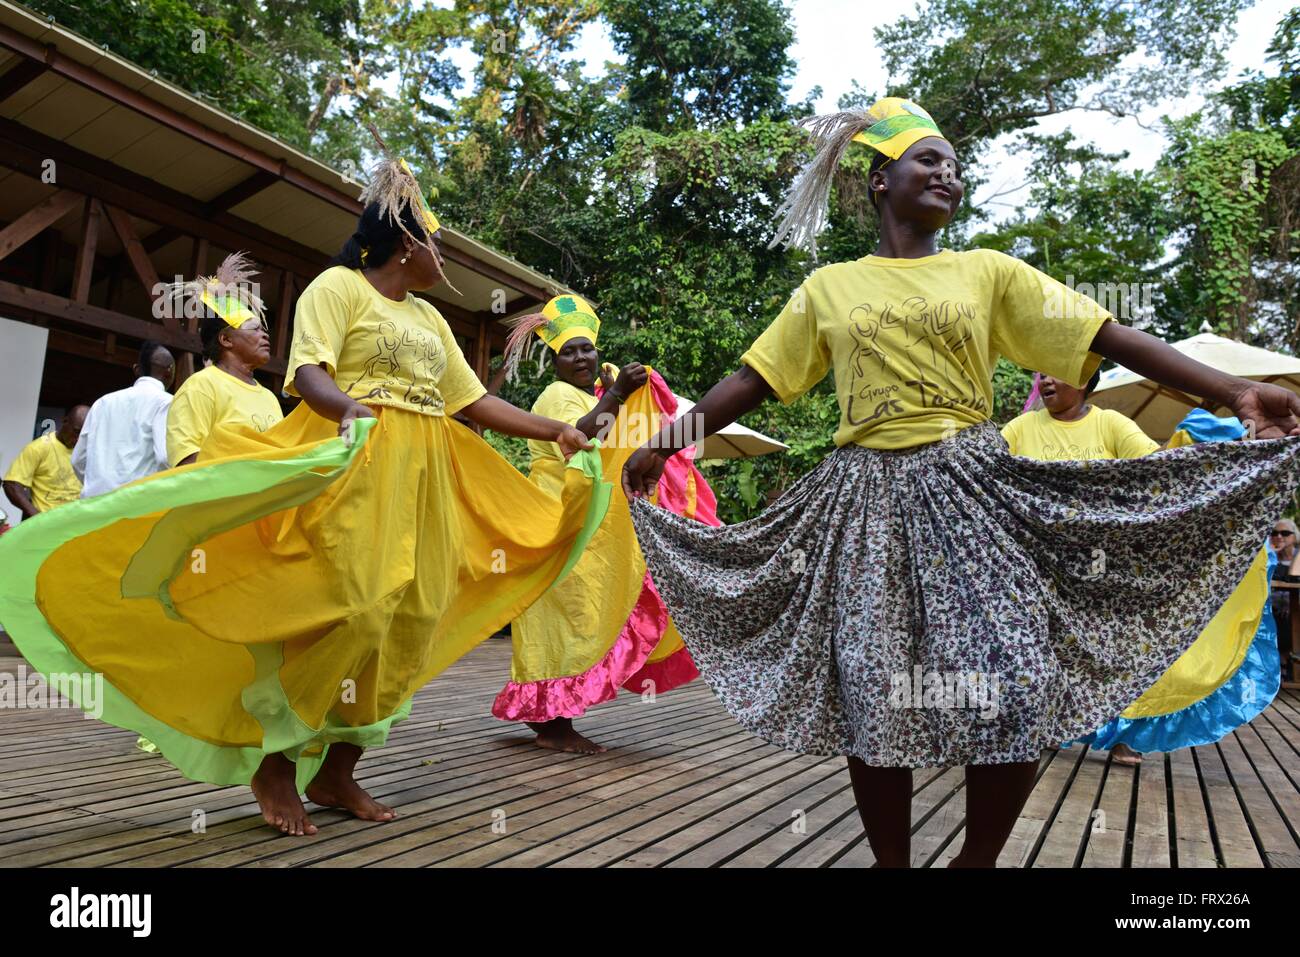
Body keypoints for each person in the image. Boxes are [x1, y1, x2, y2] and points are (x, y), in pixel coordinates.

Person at [620, 97, 1300, 868]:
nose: (948, 173)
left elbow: (1106, 334)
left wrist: (1233, 393)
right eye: (927, 160)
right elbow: (753, 378)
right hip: (864, 501)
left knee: (1012, 679)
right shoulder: (830, 288)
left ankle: (976, 863)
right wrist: (670, 440)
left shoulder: (987, 273)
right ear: (881, 182)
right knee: (877, 686)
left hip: (972, 491)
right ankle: (892, 865)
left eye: (954, 164)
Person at [0, 139, 617, 838]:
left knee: (409, 621)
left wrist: (553, 431)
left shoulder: (431, 320)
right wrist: (349, 409)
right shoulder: (338, 288)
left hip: (426, 482)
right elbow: (309, 374)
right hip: (356, 467)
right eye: (436, 242)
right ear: (406, 242)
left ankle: (337, 771)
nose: (444, 256)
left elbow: (472, 404)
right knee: (353, 605)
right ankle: (276, 758)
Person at [490, 295, 716, 753]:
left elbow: (621, 442)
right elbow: (579, 437)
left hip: (590, 526)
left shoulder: (591, 394)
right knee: (565, 617)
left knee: (587, 614)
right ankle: (553, 723)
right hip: (560, 523)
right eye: (567, 351)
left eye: (585, 349)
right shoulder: (556, 396)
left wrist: (629, 398)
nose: (580, 358)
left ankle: (559, 716)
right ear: (554, 360)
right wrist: (616, 395)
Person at [1003, 370, 1158, 766]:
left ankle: (1125, 736)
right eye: (1041, 375)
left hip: (1100, 566)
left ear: (1086, 380)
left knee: (1115, 649)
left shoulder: (1111, 424)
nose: (1046, 382)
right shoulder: (1020, 428)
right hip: (1041, 565)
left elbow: (1157, 470)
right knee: (1045, 648)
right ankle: (1049, 727)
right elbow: (991, 476)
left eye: (1057, 373)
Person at [165, 256, 284, 468]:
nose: (265, 335)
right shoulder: (201, 386)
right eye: (254, 328)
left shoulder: (269, 397)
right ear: (226, 339)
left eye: (263, 329)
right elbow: (187, 462)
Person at [72, 342, 176, 497]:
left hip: (93, 506)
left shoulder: (102, 402)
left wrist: (97, 485)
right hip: (135, 504)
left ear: (136, 370)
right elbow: (164, 458)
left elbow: (77, 459)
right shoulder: (167, 403)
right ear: (169, 372)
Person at [3, 406, 87, 519]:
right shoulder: (38, 448)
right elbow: (11, 486)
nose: (77, 439)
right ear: (65, 421)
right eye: (76, 431)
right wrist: (38, 518)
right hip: (46, 526)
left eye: (83, 435)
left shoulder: (87, 451)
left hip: (76, 525)